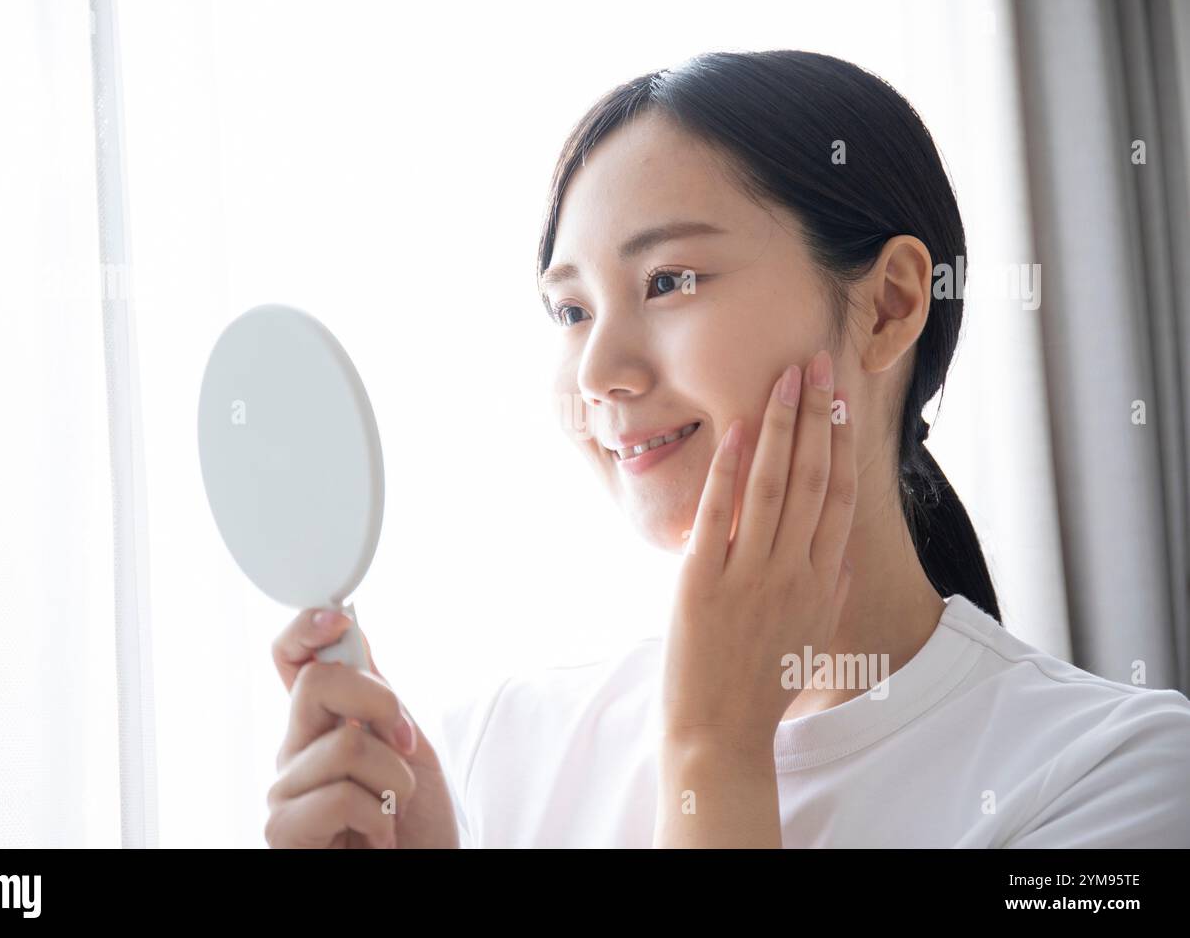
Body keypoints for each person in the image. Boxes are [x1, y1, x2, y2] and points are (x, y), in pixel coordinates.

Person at [263, 50, 1190, 848]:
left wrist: (717, 748)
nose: (600, 371)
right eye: (571, 310)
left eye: (669, 280)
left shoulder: (1118, 774)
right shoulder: (492, 751)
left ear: (894, 302)